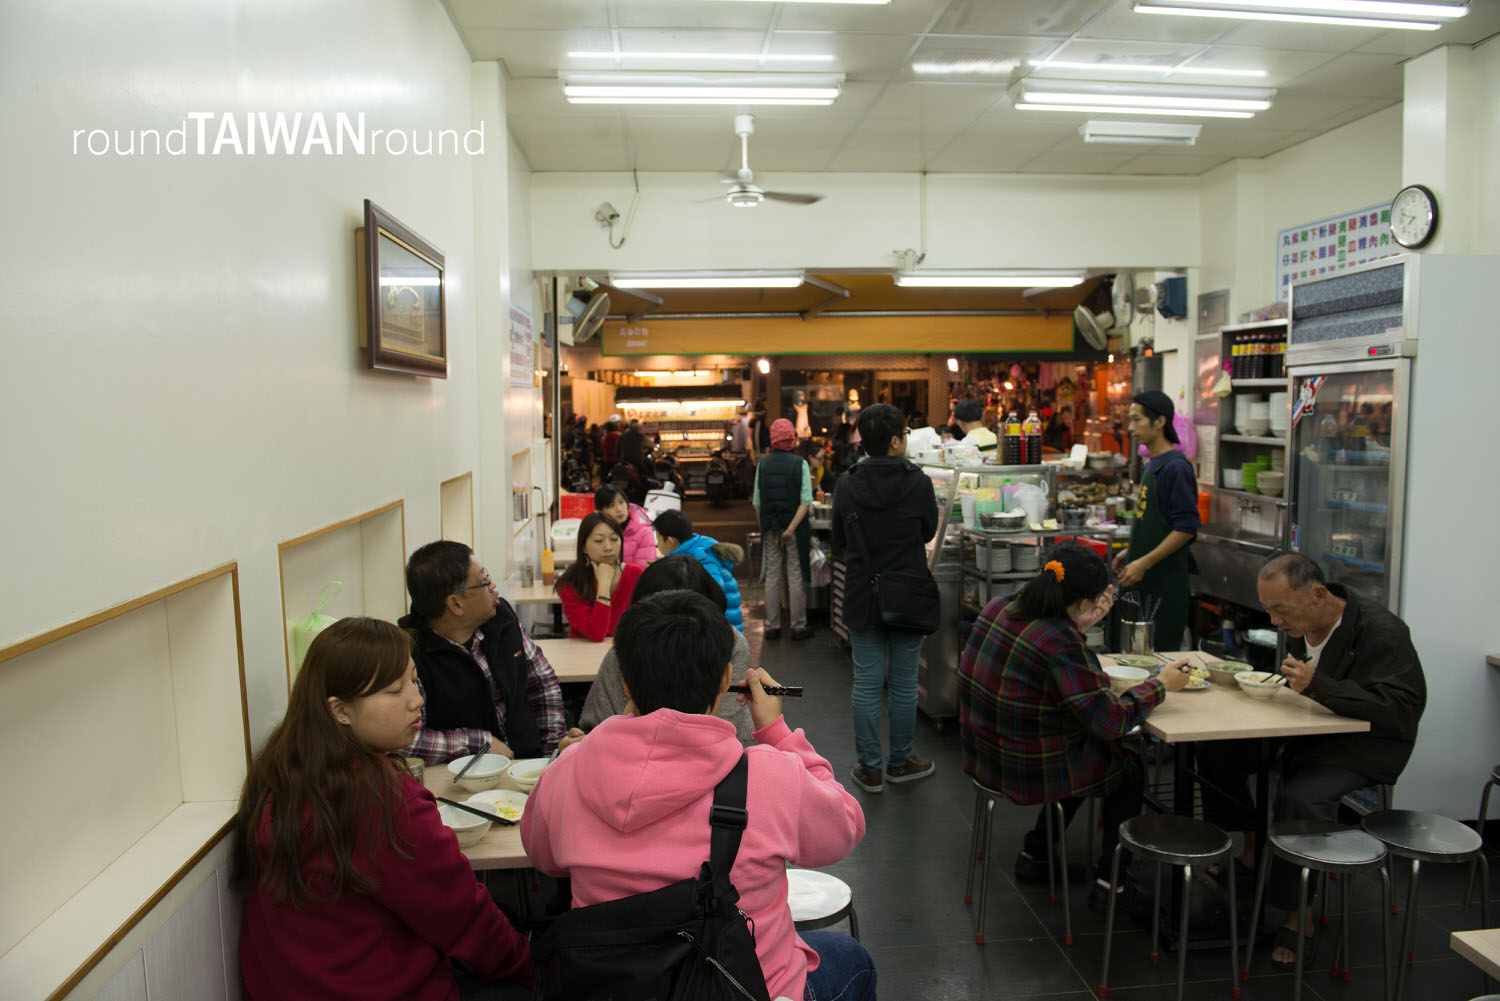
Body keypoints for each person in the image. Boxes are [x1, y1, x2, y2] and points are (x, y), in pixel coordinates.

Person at [520, 591, 873, 1001]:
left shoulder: (567, 769)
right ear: (726, 678)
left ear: (624, 682)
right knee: (852, 959)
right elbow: (844, 827)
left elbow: (542, 857)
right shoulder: (769, 775)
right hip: (747, 986)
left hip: (613, 986)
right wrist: (777, 732)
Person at [235, 617, 533, 1001]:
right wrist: (531, 967)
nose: (417, 699)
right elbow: (463, 918)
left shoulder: (284, 767)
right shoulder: (380, 800)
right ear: (339, 710)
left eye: (413, 679)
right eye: (395, 690)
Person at [1196, 553, 1426, 969]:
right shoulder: (1302, 623)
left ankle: (1296, 913)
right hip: (1308, 726)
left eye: (1280, 609)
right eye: (1268, 609)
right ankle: (1251, 848)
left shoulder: (1381, 633)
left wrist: (1322, 686)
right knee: (1218, 749)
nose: (1275, 620)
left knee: (1301, 798)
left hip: (1366, 744)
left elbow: (1400, 710)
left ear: (1318, 594)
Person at [958, 543, 1192, 911]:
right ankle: (1111, 883)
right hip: (1026, 769)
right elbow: (1111, 720)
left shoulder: (998, 606)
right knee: (1126, 767)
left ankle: (1036, 853)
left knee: (1088, 749)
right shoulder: (1060, 642)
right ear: (1084, 603)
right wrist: (1161, 685)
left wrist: (1078, 624)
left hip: (985, 756)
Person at [830, 403, 939, 793]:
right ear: (894, 441)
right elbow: (928, 532)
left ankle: (870, 768)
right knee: (905, 683)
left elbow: (838, 540)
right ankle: (900, 762)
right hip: (908, 591)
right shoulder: (919, 481)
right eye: (906, 434)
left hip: (863, 594)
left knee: (866, 683)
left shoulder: (847, 483)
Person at [399, 541, 568, 764]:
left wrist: (552, 752)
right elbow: (407, 739)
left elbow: (542, 681)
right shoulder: (407, 650)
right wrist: (478, 742)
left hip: (527, 761)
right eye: (484, 582)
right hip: (465, 776)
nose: (493, 587)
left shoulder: (502, 617)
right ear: (456, 604)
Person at [579, 555, 754, 745]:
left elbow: (723, 730)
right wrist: (582, 743)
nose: (676, 634)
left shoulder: (731, 644)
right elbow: (593, 726)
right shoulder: (626, 648)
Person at [1112, 391, 1200, 649]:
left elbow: (1185, 529)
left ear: (1160, 422)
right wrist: (1132, 551)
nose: (1130, 428)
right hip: (1143, 583)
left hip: (1163, 586)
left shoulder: (1175, 467)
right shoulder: (1153, 464)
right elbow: (1160, 526)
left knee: (1158, 658)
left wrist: (1143, 562)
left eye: (1137, 420)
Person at [754, 417, 813, 642]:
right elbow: (805, 501)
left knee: (772, 575)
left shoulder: (763, 464)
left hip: (770, 528)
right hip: (795, 530)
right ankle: (798, 626)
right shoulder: (801, 464)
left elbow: (757, 503)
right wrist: (790, 530)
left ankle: (772, 626)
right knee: (795, 575)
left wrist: (769, 526)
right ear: (791, 438)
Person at [555, 512, 644, 642]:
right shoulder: (570, 583)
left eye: (614, 539)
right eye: (598, 541)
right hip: (582, 655)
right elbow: (596, 634)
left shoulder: (636, 574)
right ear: (584, 546)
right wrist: (603, 585)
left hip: (626, 653)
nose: (608, 547)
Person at [652, 508, 744, 631]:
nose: (657, 545)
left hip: (722, 634)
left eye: (658, 539)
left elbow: (714, 600)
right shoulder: (700, 547)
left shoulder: (700, 560)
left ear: (670, 541)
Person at [594, 483, 655, 566]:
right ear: (600, 511)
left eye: (621, 502)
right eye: (611, 505)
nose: (619, 509)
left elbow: (643, 569)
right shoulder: (595, 531)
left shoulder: (644, 531)